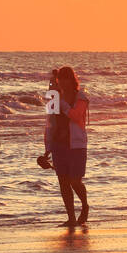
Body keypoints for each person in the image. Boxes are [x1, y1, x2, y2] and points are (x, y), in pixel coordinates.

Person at [43, 66, 90, 226]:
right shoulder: (54, 100)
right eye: (60, 79)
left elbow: (76, 116)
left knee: (75, 181)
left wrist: (61, 102)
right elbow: (50, 124)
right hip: (58, 145)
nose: (63, 82)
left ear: (72, 80)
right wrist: (47, 149)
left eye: (66, 78)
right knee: (63, 182)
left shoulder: (81, 97)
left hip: (77, 145)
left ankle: (85, 206)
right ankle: (71, 218)